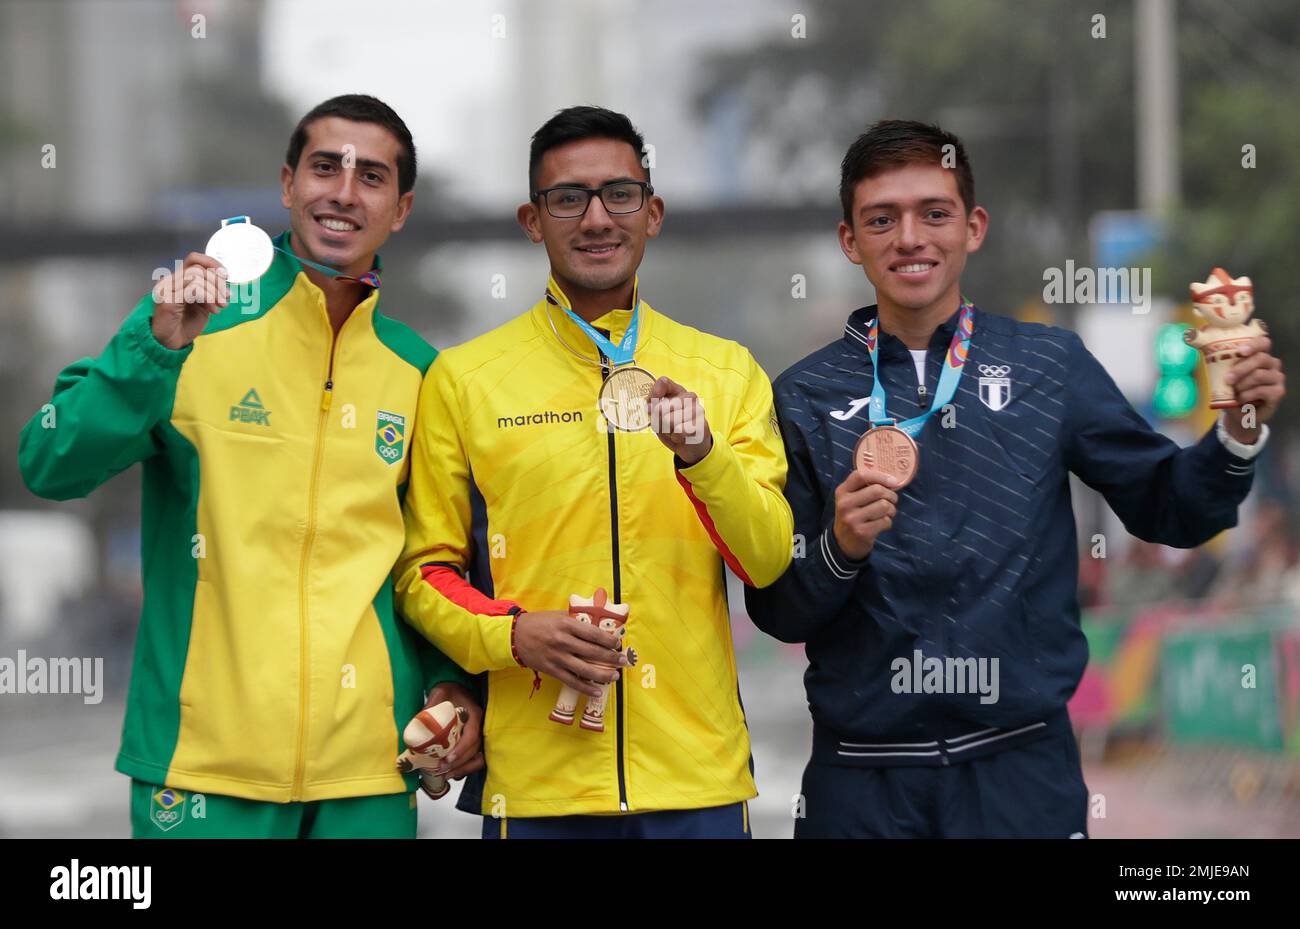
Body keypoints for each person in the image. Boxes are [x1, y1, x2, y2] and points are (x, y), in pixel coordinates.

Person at [744, 119, 1286, 838]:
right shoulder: (802, 395)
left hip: (1020, 776)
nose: (910, 237)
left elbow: (1172, 508)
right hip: (861, 785)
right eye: (883, 219)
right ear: (851, 240)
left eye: (934, 214)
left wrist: (1238, 432)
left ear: (973, 227)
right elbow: (777, 604)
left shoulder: (1047, 365)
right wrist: (839, 546)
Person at [18, 94, 481, 838]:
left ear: (400, 209)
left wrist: (450, 686)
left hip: (367, 775)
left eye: (372, 177)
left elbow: (425, 564)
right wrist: (155, 353)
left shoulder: (421, 371)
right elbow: (49, 461)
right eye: (325, 167)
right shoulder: (188, 322)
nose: (343, 191)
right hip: (202, 773)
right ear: (287, 184)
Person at [394, 105, 793, 839]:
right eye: (568, 198)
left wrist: (705, 457)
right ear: (531, 220)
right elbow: (424, 574)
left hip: (697, 782)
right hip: (540, 790)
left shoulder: (727, 371)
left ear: (654, 212)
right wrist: (515, 635)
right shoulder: (466, 379)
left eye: (620, 194)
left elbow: (766, 559)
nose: (597, 218)